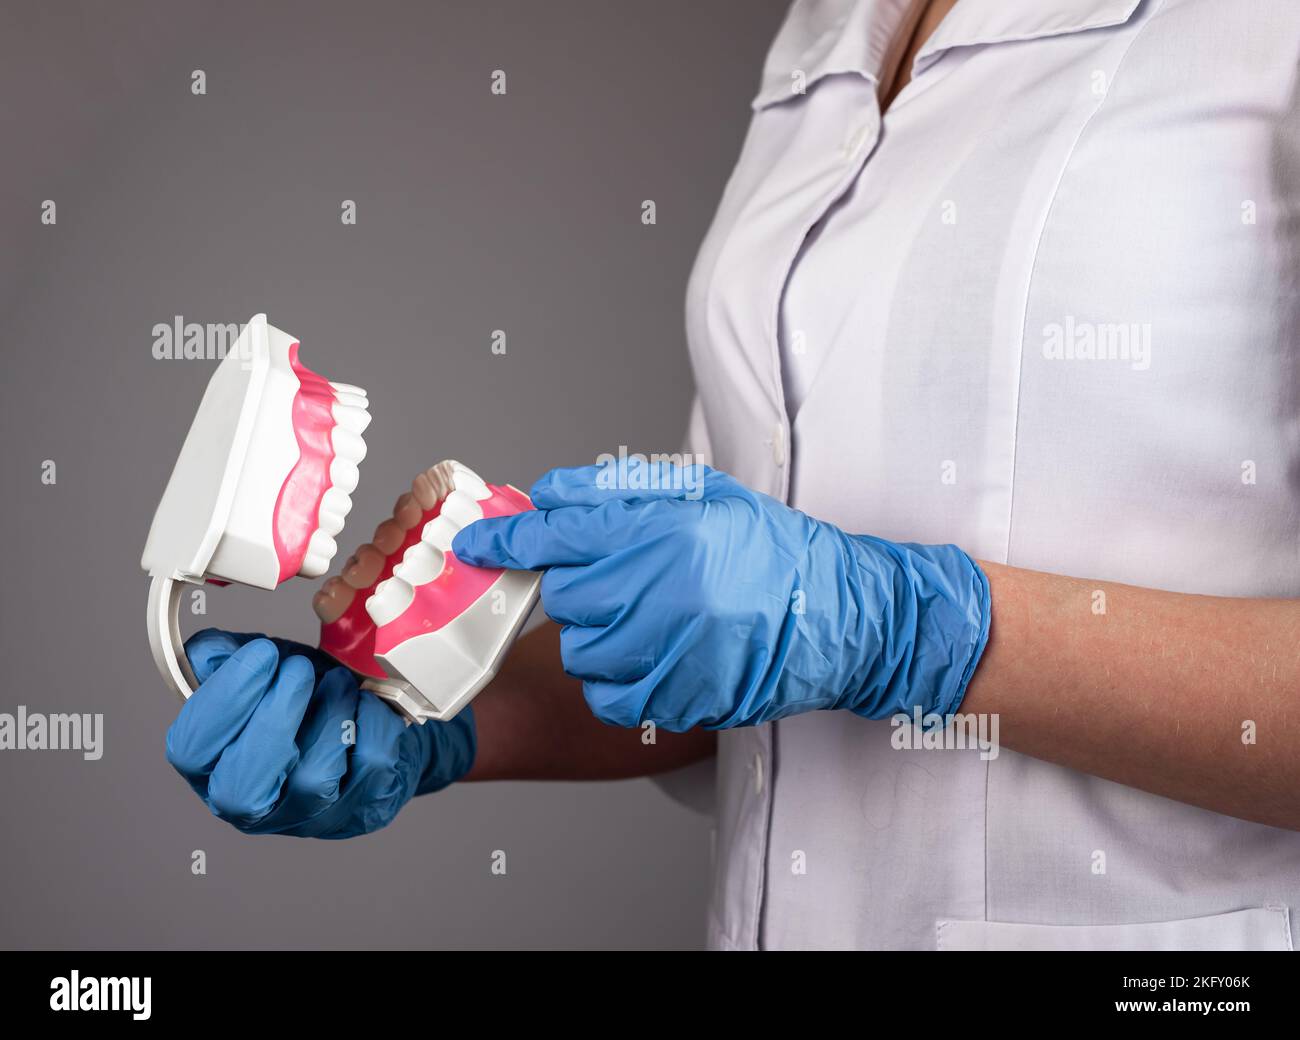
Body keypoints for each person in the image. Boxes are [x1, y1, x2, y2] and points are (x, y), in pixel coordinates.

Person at [165, 0, 1300, 950]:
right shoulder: (830, 28)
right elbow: (740, 647)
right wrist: (447, 716)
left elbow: (816, 610)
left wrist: (915, 627)